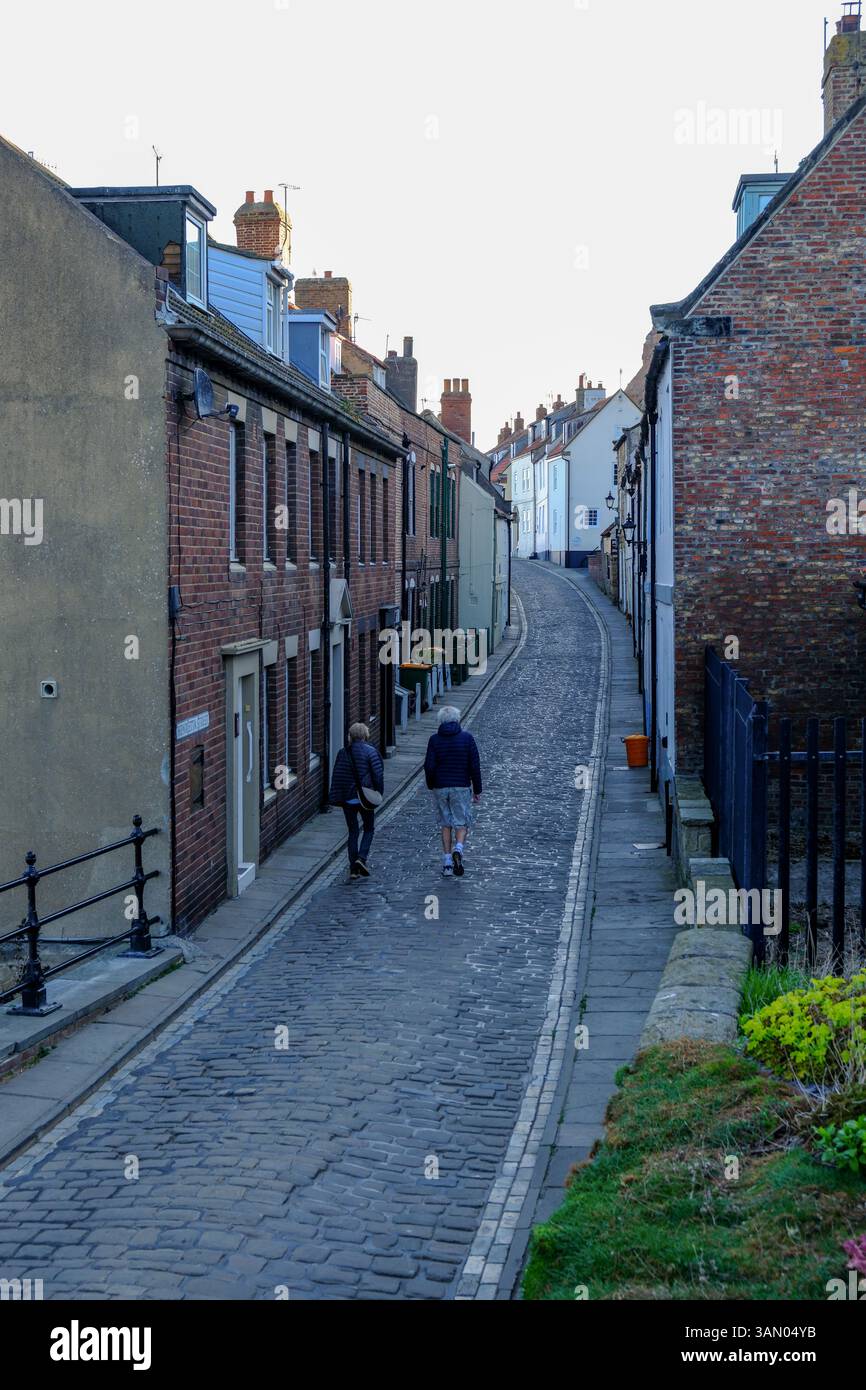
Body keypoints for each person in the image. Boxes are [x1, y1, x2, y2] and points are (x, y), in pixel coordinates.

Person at [424, 706, 482, 878]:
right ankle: (459, 848)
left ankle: (448, 863)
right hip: (461, 786)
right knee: (461, 822)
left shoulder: (434, 740)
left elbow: (429, 766)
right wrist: (477, 789)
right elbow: (474, 766)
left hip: (440, 787)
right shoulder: (467, 738)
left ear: (441, 721)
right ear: (457, 720)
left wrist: (431, 784)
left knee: (446, 823)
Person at [329, 723, 385, 880]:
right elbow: (378, 775)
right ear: (365, 735)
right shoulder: (371, 752)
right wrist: (378, 793)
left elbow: (337, 775)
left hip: (348, 799)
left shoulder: (342, 753)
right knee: (368, 828)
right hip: (365, 798)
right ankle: (361, 858)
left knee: (353, 831)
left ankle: (353, 868)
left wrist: (337, 796)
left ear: (350, 736)